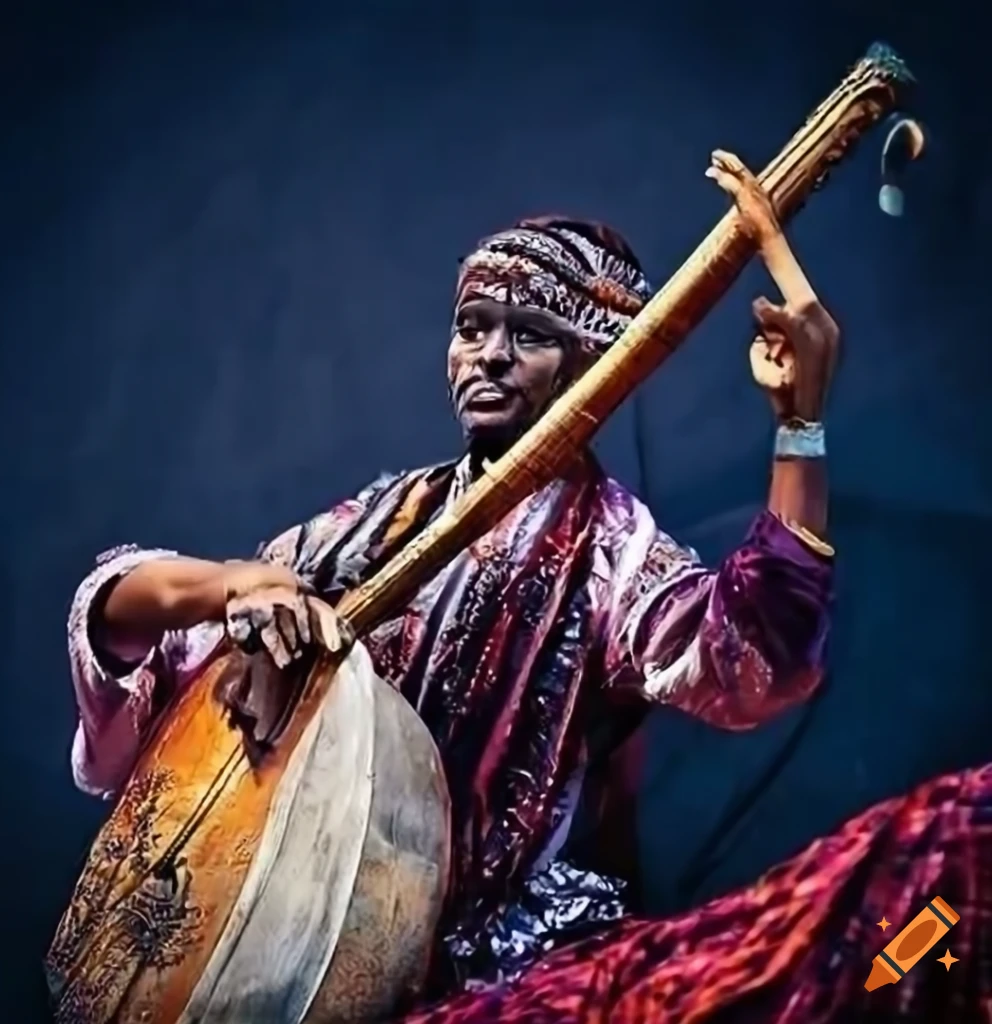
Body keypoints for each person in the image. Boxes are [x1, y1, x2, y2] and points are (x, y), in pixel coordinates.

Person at [57, 154, 989, 1022]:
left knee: (936, 868)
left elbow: (754, 663)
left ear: (591, 363)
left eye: (529, 335)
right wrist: (233, 586)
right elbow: (121, 622)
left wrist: (800, 430)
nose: (489, 355)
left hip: (509, 979)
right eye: (472, 328)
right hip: (304, 968)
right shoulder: (372, 524)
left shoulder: (612, 546)